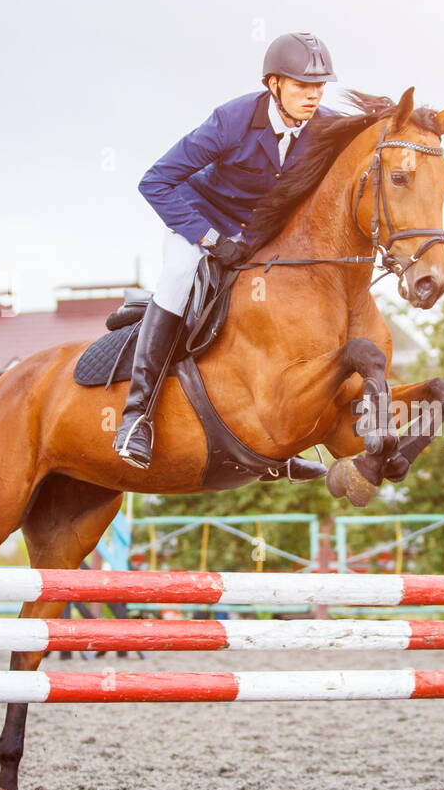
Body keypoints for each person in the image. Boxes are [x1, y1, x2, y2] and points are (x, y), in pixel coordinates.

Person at [115, 32, 340, 469]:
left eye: (319, 87)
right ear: (274, 84)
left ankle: (277, 438)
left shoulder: (326, 127)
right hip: (199, 222)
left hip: (257, 237)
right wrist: (210, 240)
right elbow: (155, 181)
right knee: (180, 275)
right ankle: (135, 417)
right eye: (301, 86)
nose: (312, 96)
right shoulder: (232, 121)